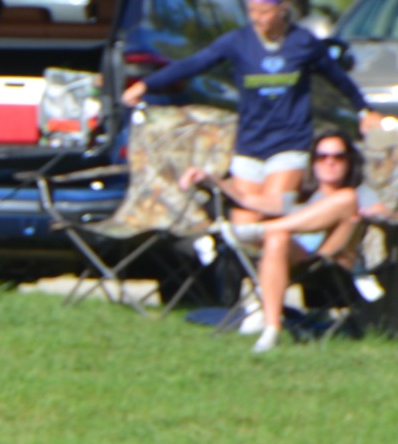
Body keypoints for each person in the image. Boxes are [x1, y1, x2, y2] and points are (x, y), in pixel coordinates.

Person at [121, 0, 381, 223]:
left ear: (282, 9)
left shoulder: (303, 42)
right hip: (250, 143)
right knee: (245, 227)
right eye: (252, 11)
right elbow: (194, 63)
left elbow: (338, 79)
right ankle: (252, 277)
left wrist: (364, 110)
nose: (257, 19)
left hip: (289, 143)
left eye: (264, 12)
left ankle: (279, 273)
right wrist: (145, 85)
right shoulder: (238, 41)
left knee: (271, 214)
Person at [224, 133, 391, 351]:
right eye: (322, 157)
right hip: (297, 259)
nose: (329, 162)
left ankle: (262, 230)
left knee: (346, 198)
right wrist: (209, 178)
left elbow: (386, 213)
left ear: (349, 161)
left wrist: (376, 212)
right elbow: (247, 199)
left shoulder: (360, 192)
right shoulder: (301, 197)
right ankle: (272, 328)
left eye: (338, 157)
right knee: (277, 239)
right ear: (313, 163)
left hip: (333, 259)